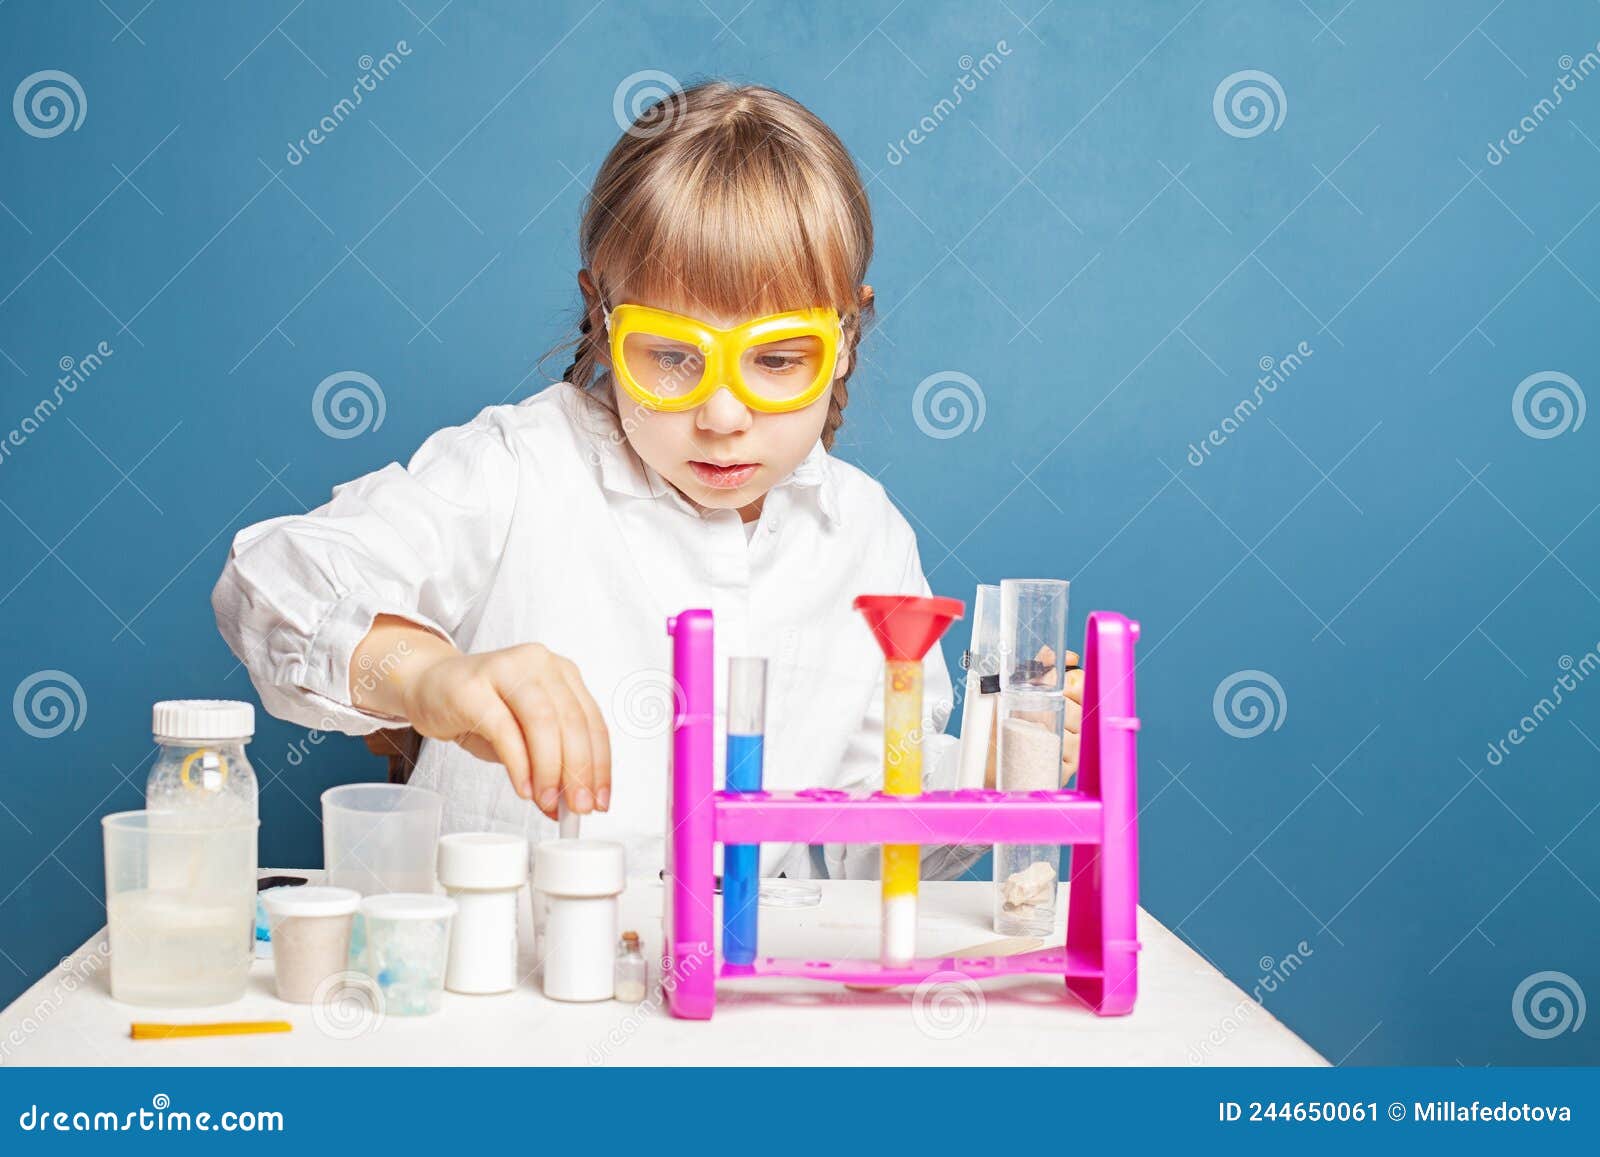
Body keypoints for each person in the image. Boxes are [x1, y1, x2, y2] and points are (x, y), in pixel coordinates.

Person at [213, 81, 1083, 879]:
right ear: (601, 316)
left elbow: (862, 856)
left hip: (741, 1010)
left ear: (847, 333)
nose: (723, 416)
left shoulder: (866, 538)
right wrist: (428, 676)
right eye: (672, 356)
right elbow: (274, 582)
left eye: (778, 358)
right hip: (517, 999)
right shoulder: (522, 466)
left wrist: (995, 774)